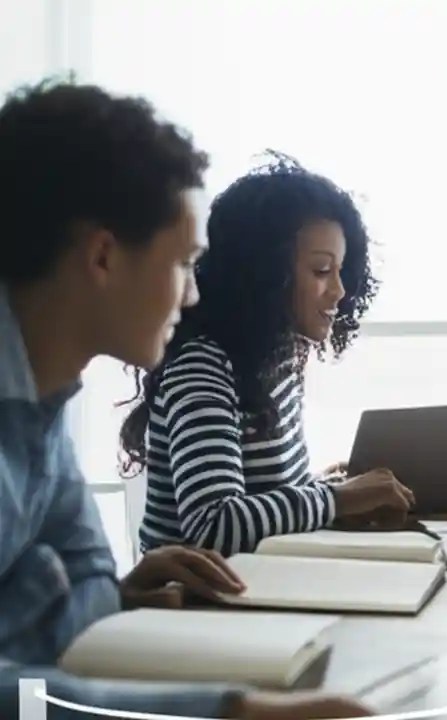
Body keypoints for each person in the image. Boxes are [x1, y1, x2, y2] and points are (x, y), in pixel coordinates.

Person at [0, 79, 369, 718]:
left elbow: (58, 618)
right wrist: (230, 714)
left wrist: (117, 596)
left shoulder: (44, 404)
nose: (194, 294)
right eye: (182, 264)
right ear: (104, 257)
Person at [120, 153, 415, 558]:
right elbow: (214, 524)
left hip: (261, 591)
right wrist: (338, 501)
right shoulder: (202, 366)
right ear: (263, 273)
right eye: (321, 271)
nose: (340, 292)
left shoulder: (276, 360)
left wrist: (324, 490)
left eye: (341, 271)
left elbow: (262, 499)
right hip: (195, 608)